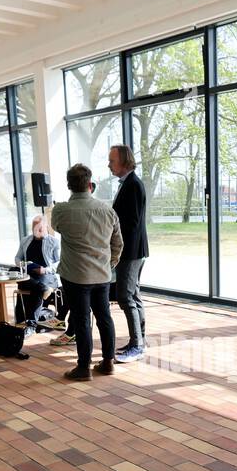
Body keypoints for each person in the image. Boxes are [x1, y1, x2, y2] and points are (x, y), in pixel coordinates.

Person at [51, 163, 122, 381]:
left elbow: (57, 227)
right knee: (104, 317)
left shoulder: (61, 210)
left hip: (75, 276)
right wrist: (109, 264)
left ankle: (83, 368)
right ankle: (108, 362)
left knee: (82, 320)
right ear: (90, 185)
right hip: (101, 275)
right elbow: (117, 243)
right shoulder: (107, 211)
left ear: (69, 185)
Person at [109, 144, 149, 363]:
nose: (109, 165)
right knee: (133, 295)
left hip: (130, 251)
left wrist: (115, 242)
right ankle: (138, 340)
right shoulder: (129, 184)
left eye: (112, 161)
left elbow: (131, 223)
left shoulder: (133, 185)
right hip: (133, 250)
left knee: (125, 296)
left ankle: (137, 345)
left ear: (124, 161)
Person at [14, 214, 63, 327]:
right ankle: (43, 289)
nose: (38, 230)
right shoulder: (25, 240)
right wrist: (23, 264)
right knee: (15, 271)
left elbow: (59, 262)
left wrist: (45, 270)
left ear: (46, 227)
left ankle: (31, 323)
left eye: (41, 228)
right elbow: (17, 258)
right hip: (29, 274)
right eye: (36, 228)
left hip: (46, 275)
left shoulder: (54, 242)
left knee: (34, 283)